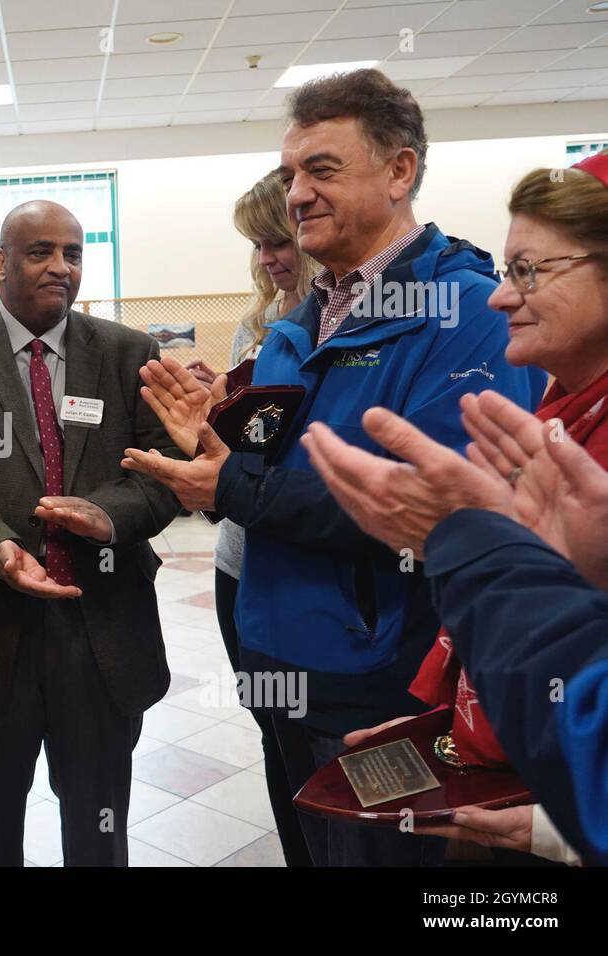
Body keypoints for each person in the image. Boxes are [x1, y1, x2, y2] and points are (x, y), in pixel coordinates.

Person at [119, 68, 546, 866]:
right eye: (290, 176)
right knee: (312, 849)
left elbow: (430, 514)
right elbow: (267, 480)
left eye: (322, 170)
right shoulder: (300, 325)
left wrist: (233, 483)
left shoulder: (462, 317)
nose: (299, 195)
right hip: (279, 655)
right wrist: (214, 456)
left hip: (384, 680)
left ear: (399, 171)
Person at [303, 149, 608, 864]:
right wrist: (445, 736)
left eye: (530, 271)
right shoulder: (563, 416)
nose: (502, 298)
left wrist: (556, 833)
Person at [0, 199, 181, 866]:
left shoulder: (128, 353)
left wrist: (108, 515)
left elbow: (167, 473)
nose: (61, 266)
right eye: (40, 252)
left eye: (73, 253)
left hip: (102, 632)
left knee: (100, 830)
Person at [207, 172, 317, 866]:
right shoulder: (254, 327)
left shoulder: (346, 327)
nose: (269, 258)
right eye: (257, 245)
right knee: (271, 729)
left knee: (317, 740)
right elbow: (236, 444)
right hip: (238, 561)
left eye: (279, 241)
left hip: (305, 562)